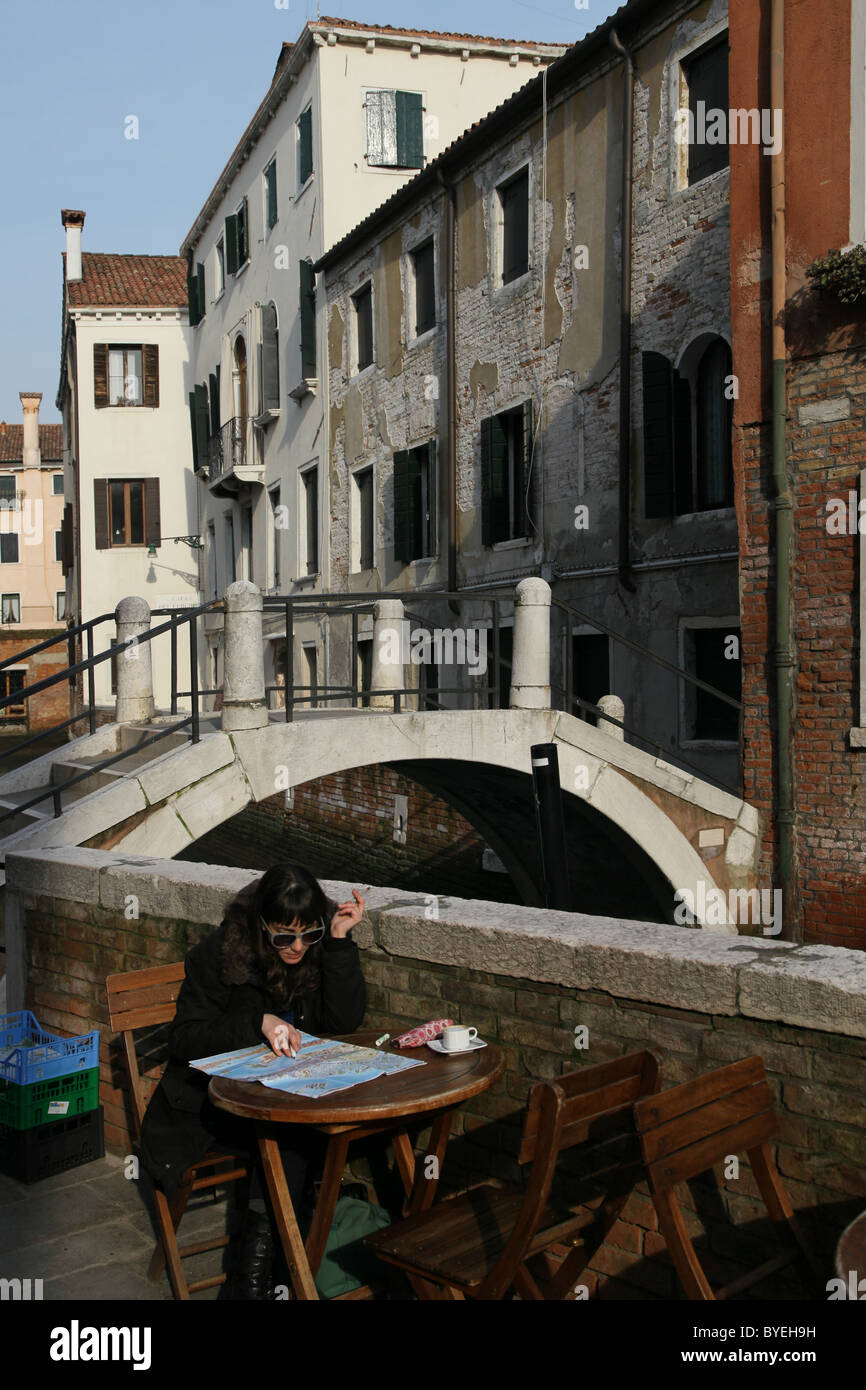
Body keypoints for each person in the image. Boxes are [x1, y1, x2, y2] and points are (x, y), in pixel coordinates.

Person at [140, 862, 366, 1297]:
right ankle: (258, 1285)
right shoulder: (221, 953)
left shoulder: (318, 944)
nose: (297, 947)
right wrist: (256, 1022)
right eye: (284, 937)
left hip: (284, 1094)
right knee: (289, 1142)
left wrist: (336, 942)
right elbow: (184, 1039)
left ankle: (275, 1279)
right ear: (262, 926)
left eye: (308, 934)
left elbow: (343, 1019)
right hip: (208, 1104)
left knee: (308, 1133)